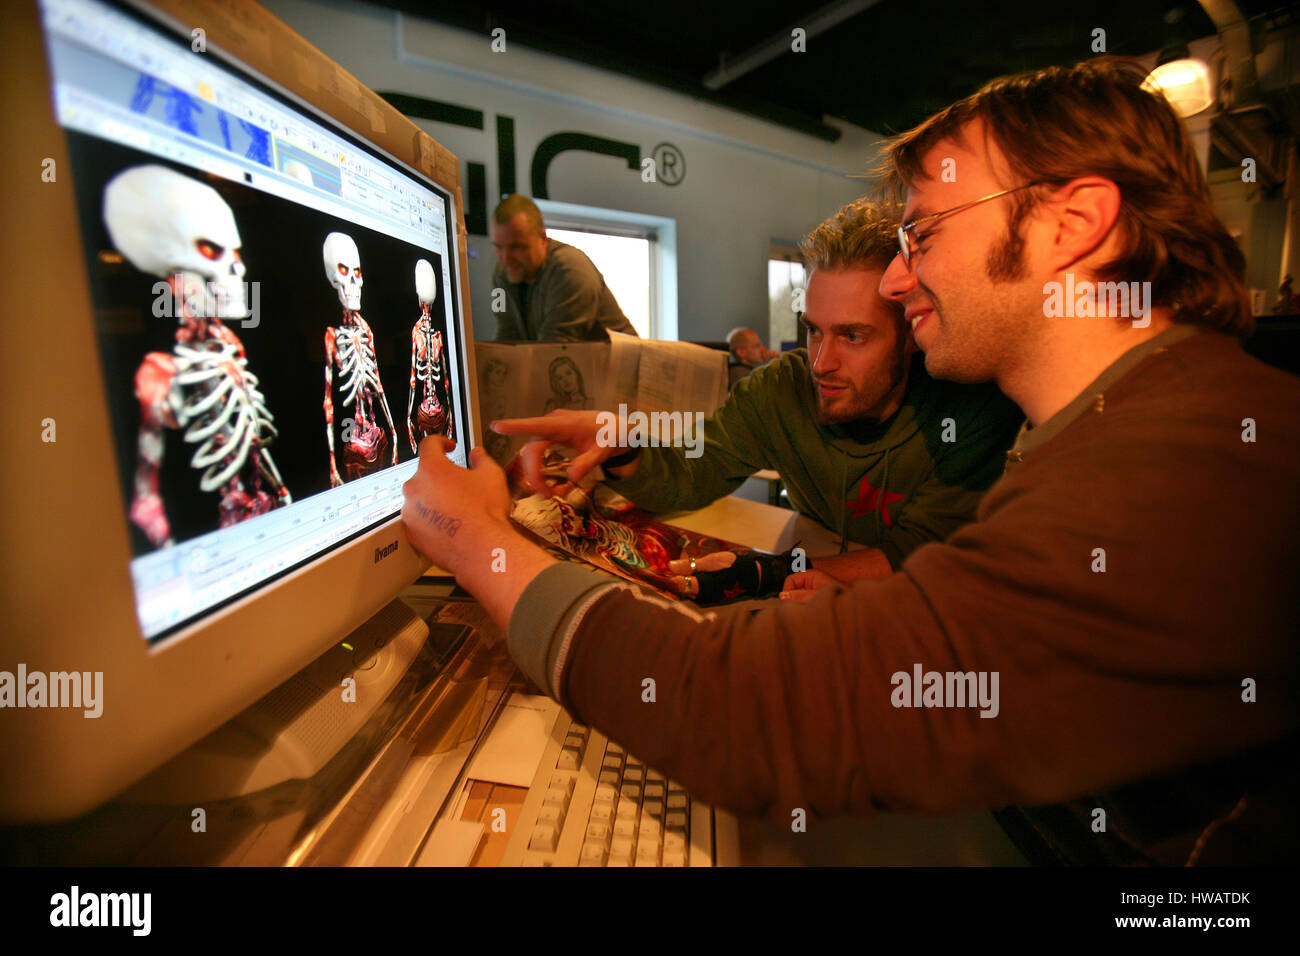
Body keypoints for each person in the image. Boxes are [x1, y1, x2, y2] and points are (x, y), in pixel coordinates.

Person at [403, 60, 1299, 864]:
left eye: (927, 233)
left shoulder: (1165, 478)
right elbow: (713, 452)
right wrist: (631, 430)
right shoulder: (1161, 417)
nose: (904, 282)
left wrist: (477, 539)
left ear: (1074, 224)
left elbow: (753, 714)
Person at [496, 199, 1024, 585]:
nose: (821, 363)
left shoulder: (970, 407)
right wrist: (627, 445)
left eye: (853, 336)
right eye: (814, 329)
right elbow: (692, 473)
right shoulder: (780, 389)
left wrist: (771, 574)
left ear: (910, 331)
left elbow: (925, 554)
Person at [490, 194, 637, 342]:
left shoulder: (570, 270)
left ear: (542, 239)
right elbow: (506, 336)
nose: (506, 259)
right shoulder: (502, 274)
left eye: (517, 247)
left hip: (625, 363)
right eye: (498, 247)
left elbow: (556, 348)